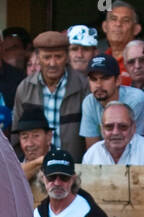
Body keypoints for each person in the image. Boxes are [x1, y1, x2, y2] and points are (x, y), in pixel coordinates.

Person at [10, 30, 89, 161]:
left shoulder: (83, 86)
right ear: (38, 58)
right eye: (47, 57)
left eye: (58, 57)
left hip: (75, 168)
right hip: (36, 169)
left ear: (67, 57)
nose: (52, 63)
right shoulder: (25, 88)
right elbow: (17, 136)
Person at [80, 54, 144, 148]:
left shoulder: (137, 101)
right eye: (93, 79)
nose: (98, 85)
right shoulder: (89, 102)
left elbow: (137, 149)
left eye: (105, 78)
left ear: (118, 80)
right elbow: (93, 150)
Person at [82, 102, 144, 166]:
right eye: (109, 127)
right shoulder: (92, 154)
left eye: (122, 126)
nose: (115, 132)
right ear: (102, 130)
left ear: (133, 128)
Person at [101, 0, 141, 85]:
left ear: (136, 29)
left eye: (126, 20)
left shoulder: (142, 61)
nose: (118, 24)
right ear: (104, 27)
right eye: (113, 19)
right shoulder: (99, 59)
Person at [11, 105, 54, 182]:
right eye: (25, 137)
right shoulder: (14, 162)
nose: (30, 143)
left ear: (49, 137)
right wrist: (38, 162)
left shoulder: (62, 159)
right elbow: (13, 180)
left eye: (36, 136)